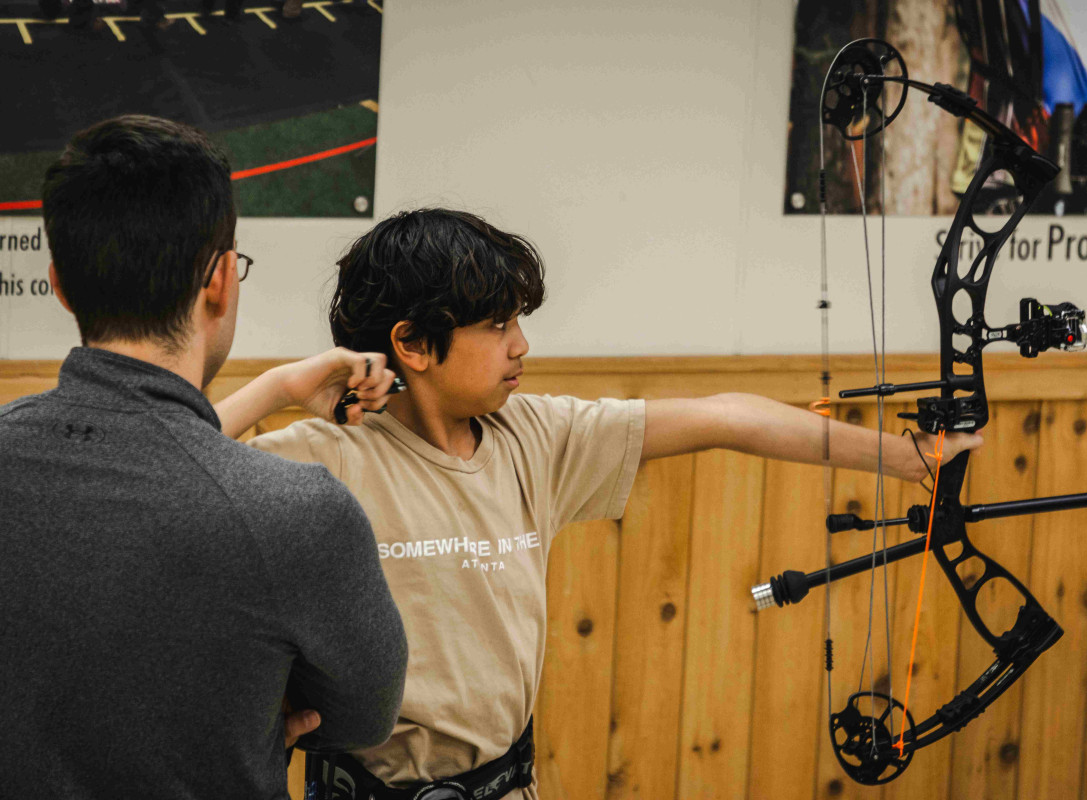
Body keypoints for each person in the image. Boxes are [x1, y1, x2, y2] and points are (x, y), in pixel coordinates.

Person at [225, 208, 983, 800]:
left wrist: (906, 458)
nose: (521, 345)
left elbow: (728, 416)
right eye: (497, 325)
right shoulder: (326, 456)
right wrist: (279, 389)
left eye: (519, 320)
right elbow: (165, 463)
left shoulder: (533, 436)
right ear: (414, 345)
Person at [0, 114, 407, 799]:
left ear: (61, 285)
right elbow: (361, 718)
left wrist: (277, 387)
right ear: (220, 280)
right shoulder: (299, 514)